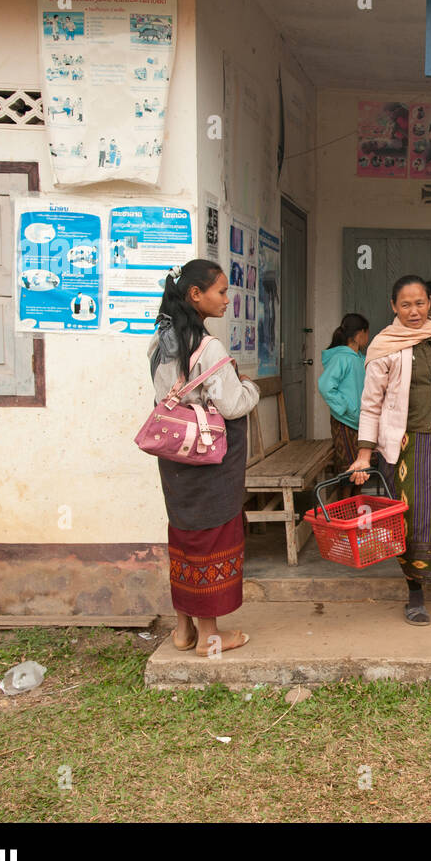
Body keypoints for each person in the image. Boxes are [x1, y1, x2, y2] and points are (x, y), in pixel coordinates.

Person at [147, 259, 260, 657]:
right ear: (196, 294)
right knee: (213, 537)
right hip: (211, 457)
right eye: (222, 291)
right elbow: (231, 405)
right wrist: (250, 388)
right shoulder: (209, 346)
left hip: (175, 457)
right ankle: (210, 636)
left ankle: (183, 629)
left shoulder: (160, 340)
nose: (228, 300)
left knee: (184, 535)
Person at [348, 276, 431, 625]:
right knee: (415, 518)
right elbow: (371, 404)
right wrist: (363, 452)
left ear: (429, 303)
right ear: (394, 307)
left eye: (420, 303)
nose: (415, 311)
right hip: (407, 442)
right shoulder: (384, 346)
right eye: (406, 304)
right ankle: (415, 592)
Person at [317, 312, 371, 484]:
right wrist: (346, 407)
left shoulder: (360, 358)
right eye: (367, 333)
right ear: (359, 334)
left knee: (360, 471)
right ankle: (345, 508)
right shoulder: (341, 358)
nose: (368, 337)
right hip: (344, 421)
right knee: (347, 471)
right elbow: (325, 386)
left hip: (359, 420)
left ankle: (356, 507)